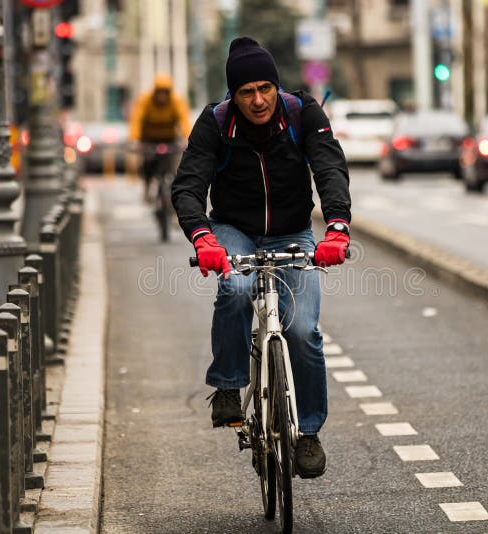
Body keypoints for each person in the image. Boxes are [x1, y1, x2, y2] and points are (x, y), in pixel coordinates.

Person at [171, 37, 351, 479]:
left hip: (292, 232)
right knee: (234, 286)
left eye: (265, 88)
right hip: (234, 229)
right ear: (232, 96)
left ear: (277, 86)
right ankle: (229, 384)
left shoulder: (301, 113)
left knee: (303, 330)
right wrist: (204, 240)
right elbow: (188, 187)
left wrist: (337, 229)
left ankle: (307, 432)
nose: (258, 100)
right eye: (246, 92)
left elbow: (329, 169)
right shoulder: (214, 124)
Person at [128, 73, 191, 200]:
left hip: (170, 139)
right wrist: (134, 139)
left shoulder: (177, 101)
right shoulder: (144, 101)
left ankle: (173, 197)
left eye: (165, 92)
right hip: (149, 139)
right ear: (155, 92)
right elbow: (136, 120)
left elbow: (184, 121)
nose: (162, 96)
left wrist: (188, 139)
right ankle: (147, 184)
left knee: (173, 169)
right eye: (159, 92)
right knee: (148, 163)